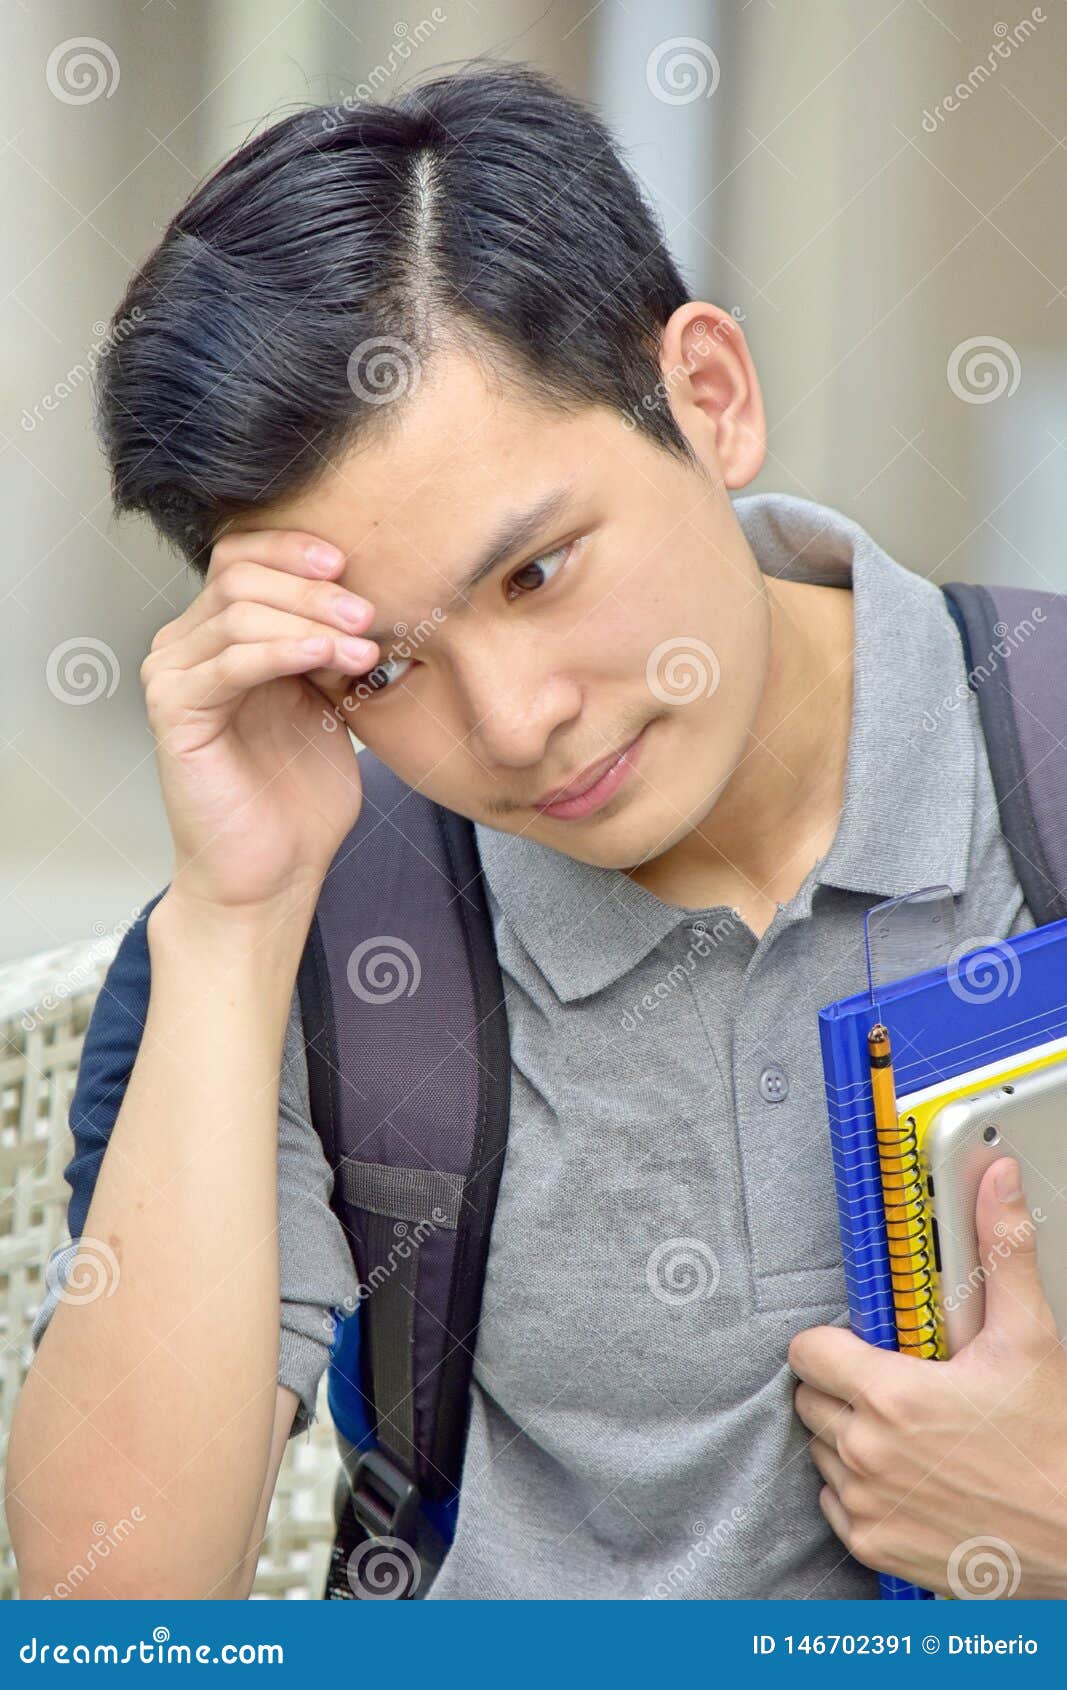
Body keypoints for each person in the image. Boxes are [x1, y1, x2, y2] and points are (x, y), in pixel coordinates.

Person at [7, 60, 1067, 1602]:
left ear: (710, 398)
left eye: (538, 574)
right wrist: (236, 927)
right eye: (382, 669)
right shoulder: (320, 925)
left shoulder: (1035, 747)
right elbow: (113, 1616)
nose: (512, 724)